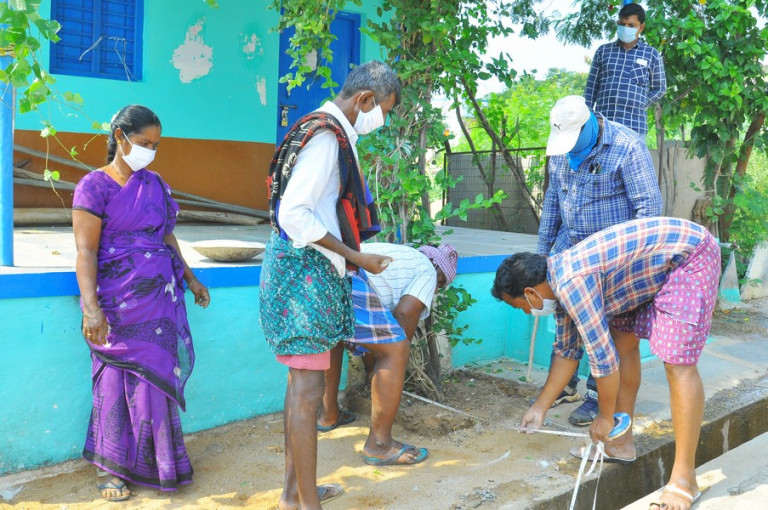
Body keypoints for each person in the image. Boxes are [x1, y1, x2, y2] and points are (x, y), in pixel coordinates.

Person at [494, 217, 719, 510]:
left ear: (530, 293)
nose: (526, 313)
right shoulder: (557, 287)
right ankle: (620, 444)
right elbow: (567, 353)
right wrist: (540, 408)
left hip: (689, 256)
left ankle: (683, 480)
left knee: (677, 362)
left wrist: (605, 416)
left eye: (520, 307)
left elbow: (603, 360)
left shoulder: (572, 282)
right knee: (622, 342)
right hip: (639, 275)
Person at [259, 60, 401, 510]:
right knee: (306, 395)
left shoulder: (317, 127)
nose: (383, 120)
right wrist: (356, 256)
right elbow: (294, 215)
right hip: (305, 276)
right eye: (384, 111)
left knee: (300, 389)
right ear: (364, 100)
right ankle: (306, 504)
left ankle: (294, 494)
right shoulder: (326, 137)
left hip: (307, 272)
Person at [73, 105, 211, 502]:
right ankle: (111, 469)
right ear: (120, 136)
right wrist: (91, 308)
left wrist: (191, 277)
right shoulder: (94, 186)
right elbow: (85, 251)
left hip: (159, 301)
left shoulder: (155, 184)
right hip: (116, 301)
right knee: (115, 377)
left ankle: (160, 461)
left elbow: (167, 237)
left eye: (156, 145)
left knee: (155, 379)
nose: (150, 151)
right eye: (145, 143)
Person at [540, 95, 662, 427]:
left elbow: (648, 209)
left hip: (613, 258)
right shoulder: (562, 152)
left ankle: (599, 398)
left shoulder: (627, 147)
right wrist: (543, 254)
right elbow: (553, 202)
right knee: (566, 315)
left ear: (589, 124)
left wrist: (631, 266)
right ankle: (565, 385)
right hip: (571, 246)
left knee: (604, 329)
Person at [319, 242, 458, 466]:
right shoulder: (427, 270)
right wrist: (391, 359)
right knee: (396, 348)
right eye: (441, 282)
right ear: (438, 270)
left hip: (318, 274)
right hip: (352, 277)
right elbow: (404, 316)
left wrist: (374, 365)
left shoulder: (405, 257)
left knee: (335, 338)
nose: (436, 289)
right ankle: (379, 445)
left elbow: (374, 331)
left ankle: (328, 414)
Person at [584, 2, 667, 138]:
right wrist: (587, 118)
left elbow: (660, 88)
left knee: (632, 160)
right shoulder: (603, 51)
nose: (625, 28)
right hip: (603, 125)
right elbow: (591, 88)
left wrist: (641, 103)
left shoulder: (651, 54)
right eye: (622, 24)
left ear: (641, 28)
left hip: (634, 126)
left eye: (631, 25)